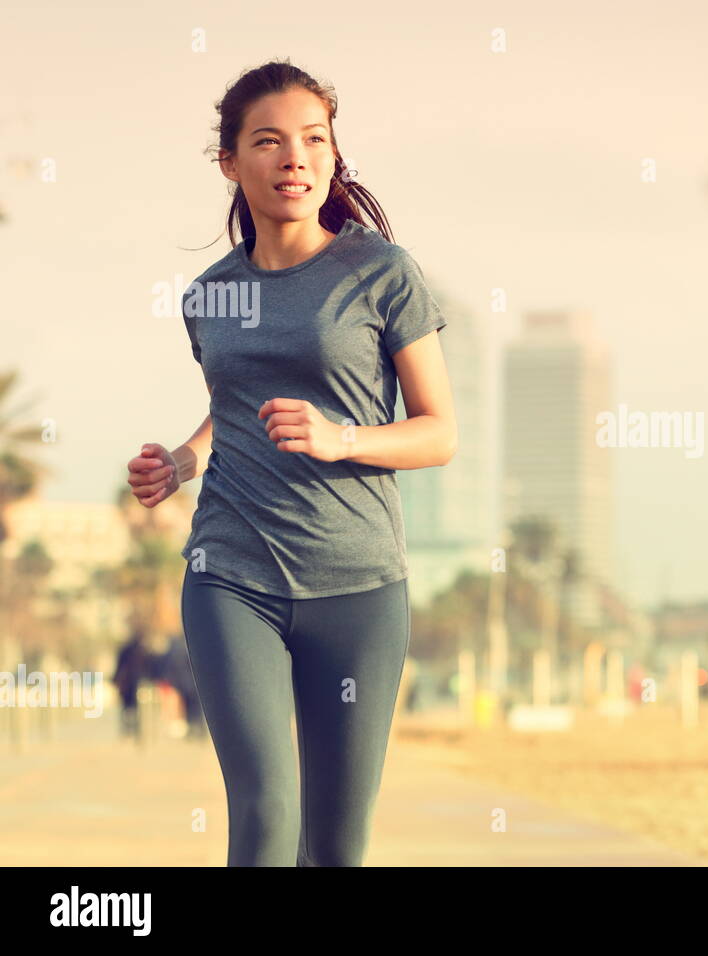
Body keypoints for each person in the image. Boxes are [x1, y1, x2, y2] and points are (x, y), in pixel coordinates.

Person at [124, 59, 458, 867]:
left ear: (334, 156)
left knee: (336, 848)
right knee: (269, 817)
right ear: (231, 162)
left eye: (314, 140)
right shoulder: (209, 296)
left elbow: (439, 431)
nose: (295, 158)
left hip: (359, 586)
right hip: (232, 574)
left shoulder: (379, 273)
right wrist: (185, 458)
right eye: (269, 141)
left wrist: (344, 437)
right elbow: (234, 403)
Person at [112, 630, 150, 741]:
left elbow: (119, 666)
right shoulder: (141, 650)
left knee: (126, 708)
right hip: (135, 682)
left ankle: (127, 730)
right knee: (133, 707)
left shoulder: (127, 650)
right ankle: (133, 730)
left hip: (127, 683)